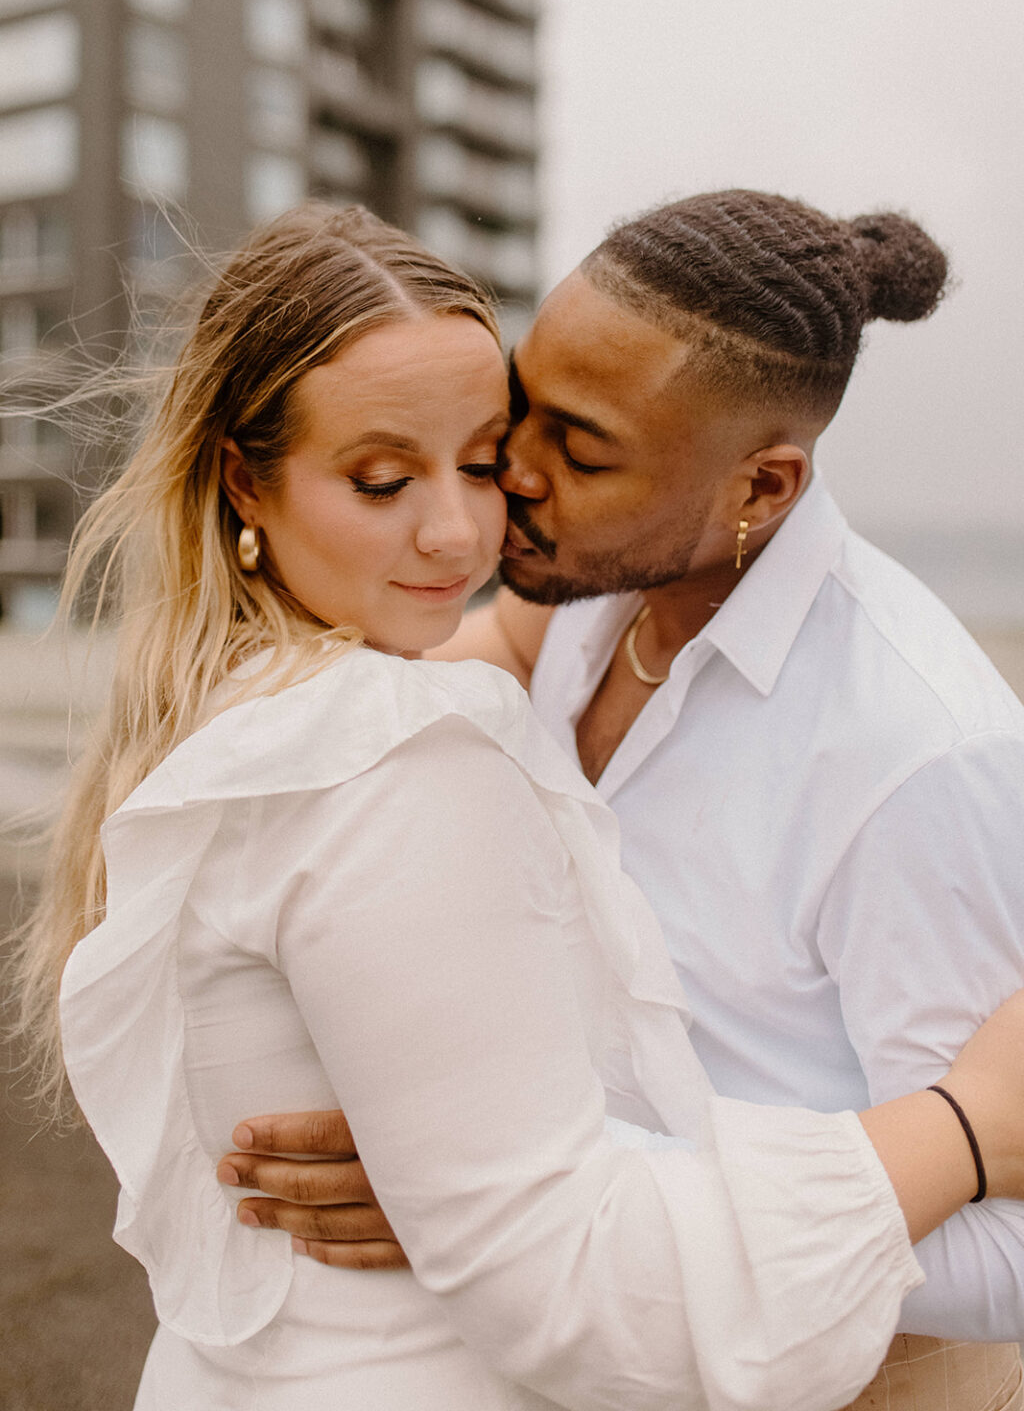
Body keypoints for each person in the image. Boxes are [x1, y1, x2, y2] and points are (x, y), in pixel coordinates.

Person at [16, 201, 1024, 1411]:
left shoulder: (916, 756)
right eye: (514, 424)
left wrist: (476, 1179)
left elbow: (1012, 1248)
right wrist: (470, 1167)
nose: (505, 496)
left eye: (574, 454)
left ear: (759, 486)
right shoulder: (584, 601)